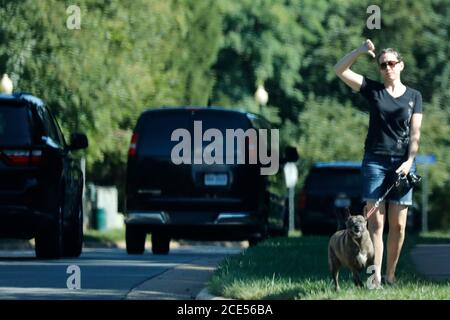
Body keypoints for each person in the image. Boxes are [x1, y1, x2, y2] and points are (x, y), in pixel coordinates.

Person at [334, 39, 423, 287]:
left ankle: (390, 275)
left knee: (399, 225)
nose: (387, 68)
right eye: (383, 65)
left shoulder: (415, 96)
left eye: (392, 63)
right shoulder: (374, 90)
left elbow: (415, 134)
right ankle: (375, 279)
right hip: (374, 161)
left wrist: (409, 161)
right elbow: (339, 70)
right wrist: (360, 51)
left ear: (401, 65)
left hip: (403, 164)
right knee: (376, 222)